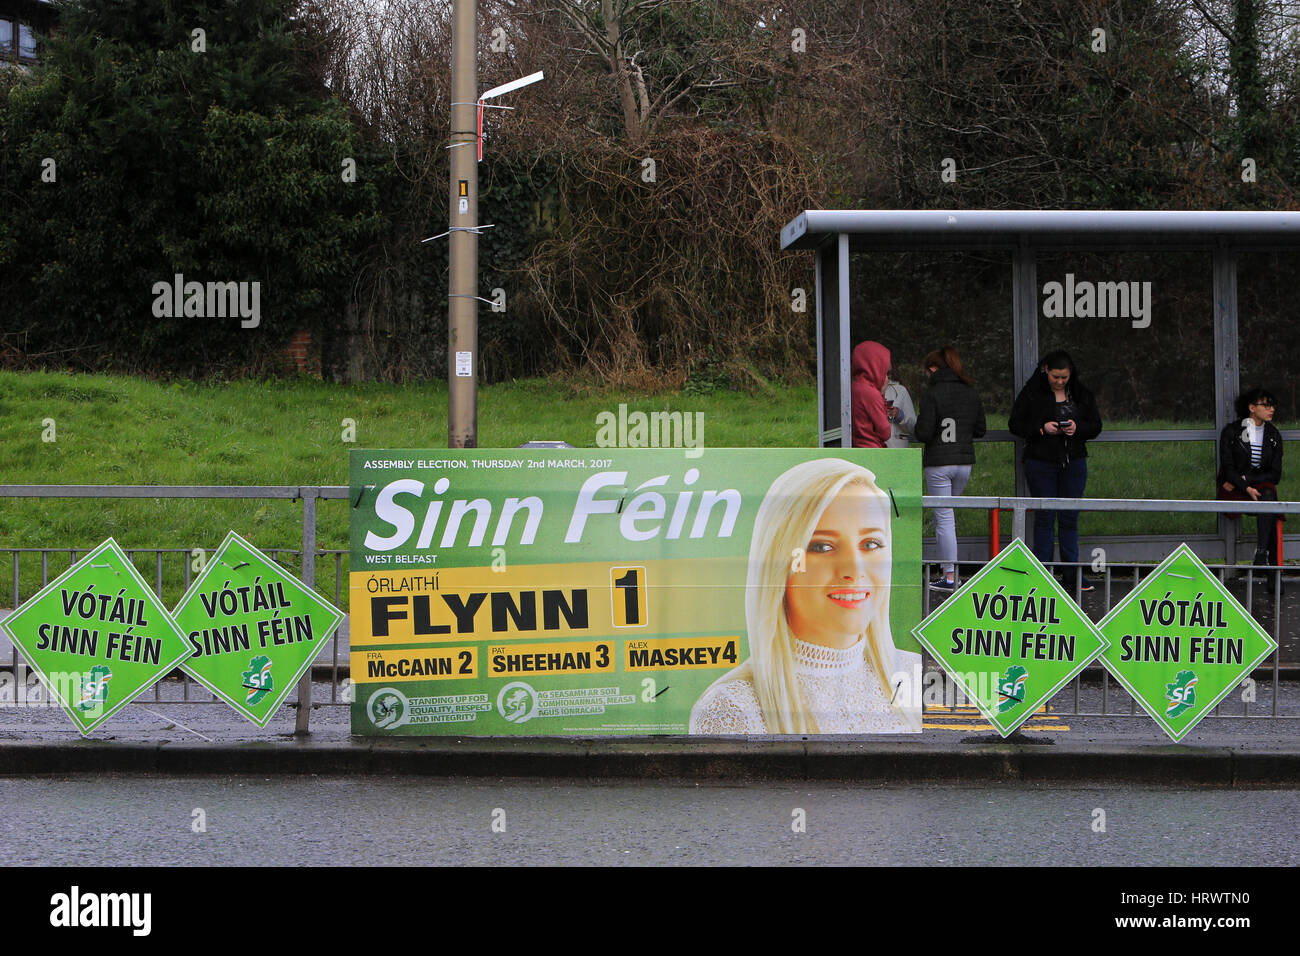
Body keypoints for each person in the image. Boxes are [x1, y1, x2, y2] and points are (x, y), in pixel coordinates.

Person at [689, 458, 922, 734]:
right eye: (822, 547)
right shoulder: (732, 707)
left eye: (871, 544)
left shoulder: (914, 673)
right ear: (779, 562)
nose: (853, 570)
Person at [1009, 350, 1103, 591]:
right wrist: (1041, 429)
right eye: (1056, 377)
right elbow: (1015, 424)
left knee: (1070, 518)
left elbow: (1096, 426)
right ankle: (1043, 574)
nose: (1060, 381)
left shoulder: (1081, 393)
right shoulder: (1032, 393)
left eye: (1064, 377)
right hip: (1041, 462)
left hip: (1074, 462)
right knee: (1045, 517)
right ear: (1046, 370)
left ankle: (1072, 576)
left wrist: (1076, 428)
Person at [913, 346, 986, 591]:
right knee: (948, 516)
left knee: (944, 519)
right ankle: (949, 572)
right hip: (964, 463)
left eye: (928, 370)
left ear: (934, 369)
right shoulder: (970, 392)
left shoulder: (932, 393)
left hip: (939, 464)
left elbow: (923, 432)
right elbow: (980, 429)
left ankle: (950, 576)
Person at [1217, 387, 1283, 570]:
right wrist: (1245, 487)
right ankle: (1271, 568)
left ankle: (1262, 553)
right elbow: (1228, 469)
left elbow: (1275, 474)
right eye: (1267, 405)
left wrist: (1247, 479)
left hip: (1257, 486)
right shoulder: (1232, 432)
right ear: (1252, 408)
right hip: (1235, 487)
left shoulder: (1273, 435)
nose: (1272, 409)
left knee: (1268, 494)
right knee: (1268, 504)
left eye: (1273, 406)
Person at [850, 341, 892, 449]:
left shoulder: (853, 388)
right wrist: (881, 395)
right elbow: (886, 432)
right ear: (876, 366)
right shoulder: (871, 393)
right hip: (872, 449)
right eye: (885, 372)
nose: (887, 377)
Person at [883, 368, 917, 448]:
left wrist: (899, 416)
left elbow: (913, 426)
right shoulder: (863, 390)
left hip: (897, 450)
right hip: (871, 450)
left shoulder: (900, 390)